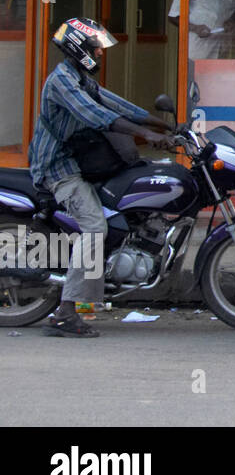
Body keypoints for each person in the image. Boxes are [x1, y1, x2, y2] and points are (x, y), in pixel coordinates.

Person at [28, 17, 172, 338]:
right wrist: (145, 134)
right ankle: (66, 313)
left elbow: (118, 105)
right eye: (95, 48)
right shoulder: (62, 82)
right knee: (95, 225)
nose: (100, 54)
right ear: (79, 48)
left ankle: (95, 290)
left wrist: (168, 127)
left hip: (83, 163)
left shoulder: (81, 78)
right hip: (60, 169)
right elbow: (98, 116)